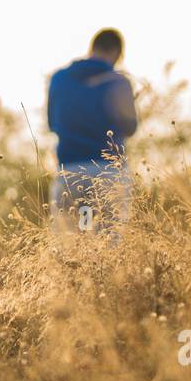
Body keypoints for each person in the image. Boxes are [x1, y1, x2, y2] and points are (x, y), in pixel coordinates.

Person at [46, 28, 138, 231]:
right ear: (117, 53)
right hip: (109, 173)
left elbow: (52, 123)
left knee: (72, 248)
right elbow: (130, 128)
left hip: (69, 172)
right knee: (108, 248)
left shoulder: (59, 79)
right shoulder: (119, 81)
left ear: (92, 48)